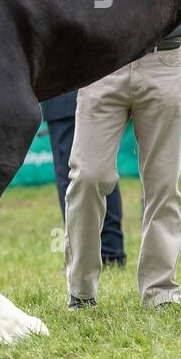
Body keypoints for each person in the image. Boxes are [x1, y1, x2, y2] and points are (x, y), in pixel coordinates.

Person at [65, 24, 181, 310]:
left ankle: (161, 293)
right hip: (101, 61)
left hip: (163, 59)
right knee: (88, 176)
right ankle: (81, 291)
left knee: (164, 185)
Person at [41, 92, 125, 268]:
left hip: (64, 97)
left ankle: (86, 257)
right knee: (103, 172)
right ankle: (111, 251)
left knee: (71, 175)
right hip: (96, 95)